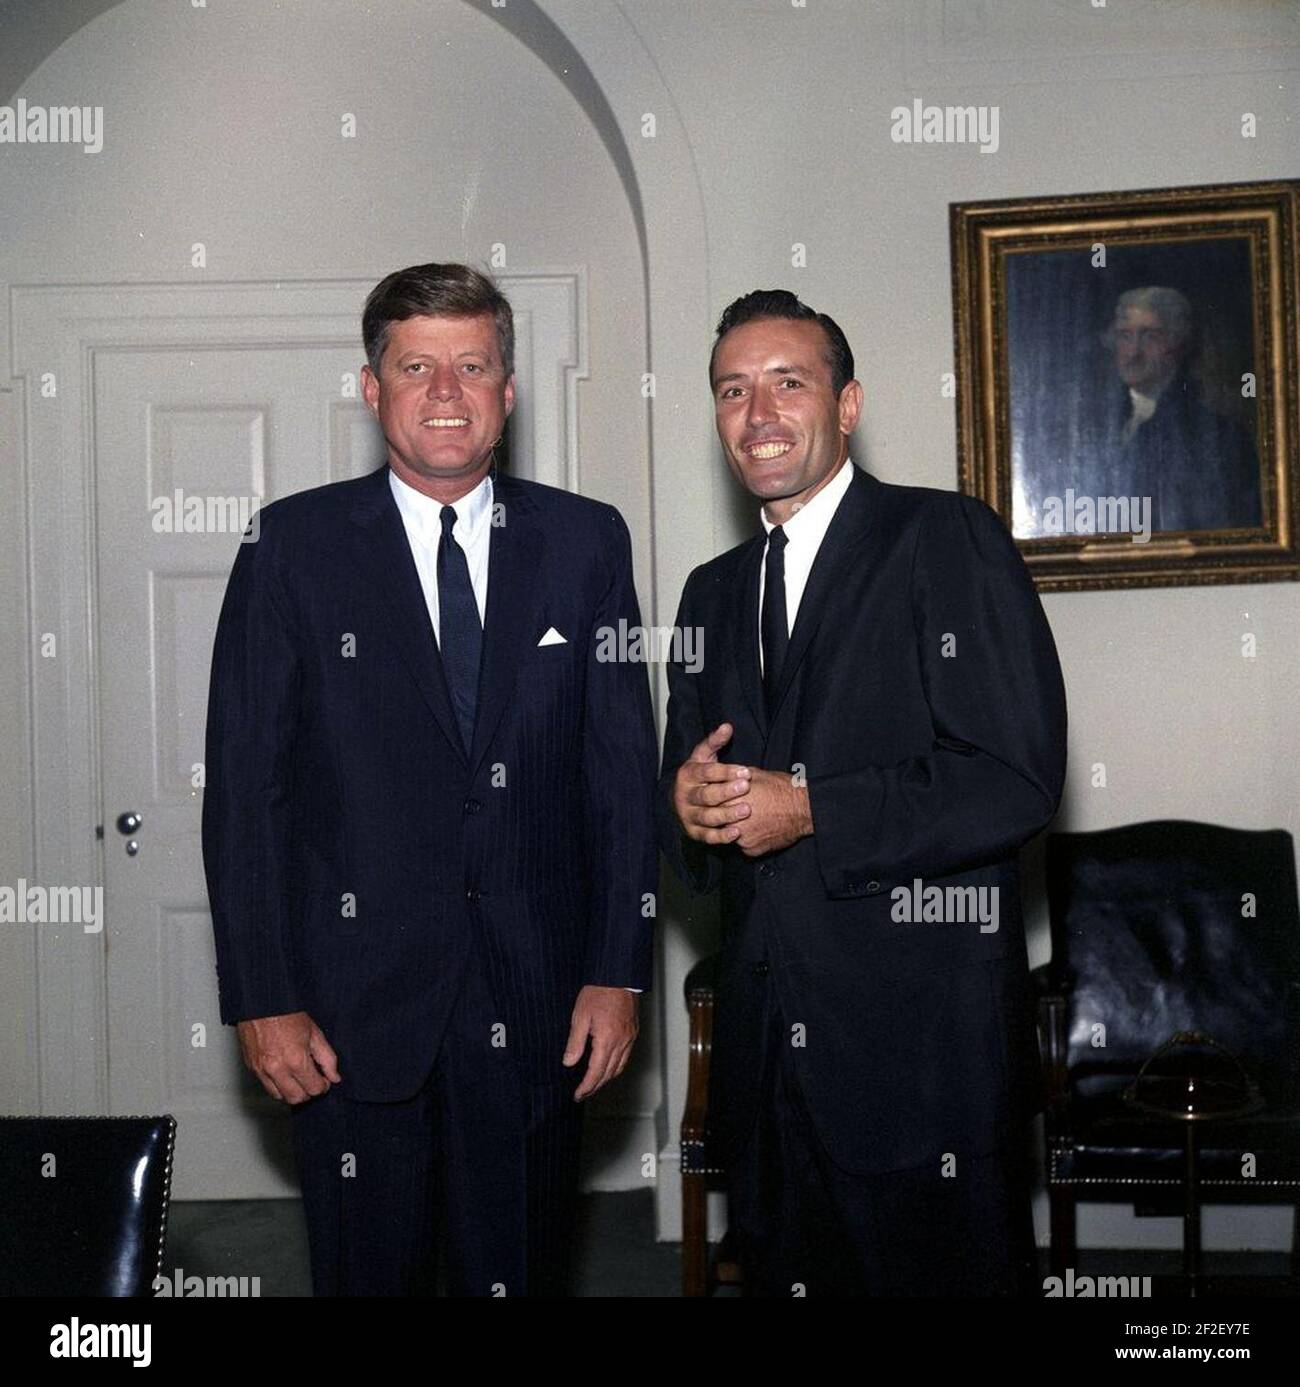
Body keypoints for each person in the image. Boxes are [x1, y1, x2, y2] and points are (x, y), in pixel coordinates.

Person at [202, 262, 658, 1297]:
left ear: (507, 389)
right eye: (417, 366)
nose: (446, 392)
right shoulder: (291, 548)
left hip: (538, 999)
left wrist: (617, 970)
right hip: (346, 1014)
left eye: (472, 366)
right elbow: (245, 790)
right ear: (372, 389)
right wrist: (260, 995)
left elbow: (622, 778)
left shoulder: (585, 543)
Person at [658, 289, 1068, 1296]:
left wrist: (811, 807)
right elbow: (687, 821)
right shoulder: (710, 591)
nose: (757, 414)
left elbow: (1013, 779)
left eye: (787, 383)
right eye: (731, 391)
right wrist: (686, 810)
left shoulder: (945, 538)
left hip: (922, 1063)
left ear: (847, 406)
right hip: (767, 1069)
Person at [1086, 286, 1261, 532]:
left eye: (1150, 337)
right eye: (1125, 335)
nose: (1134, 352)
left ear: (1178, 344)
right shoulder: (1093, 426)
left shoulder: (1220, 436)